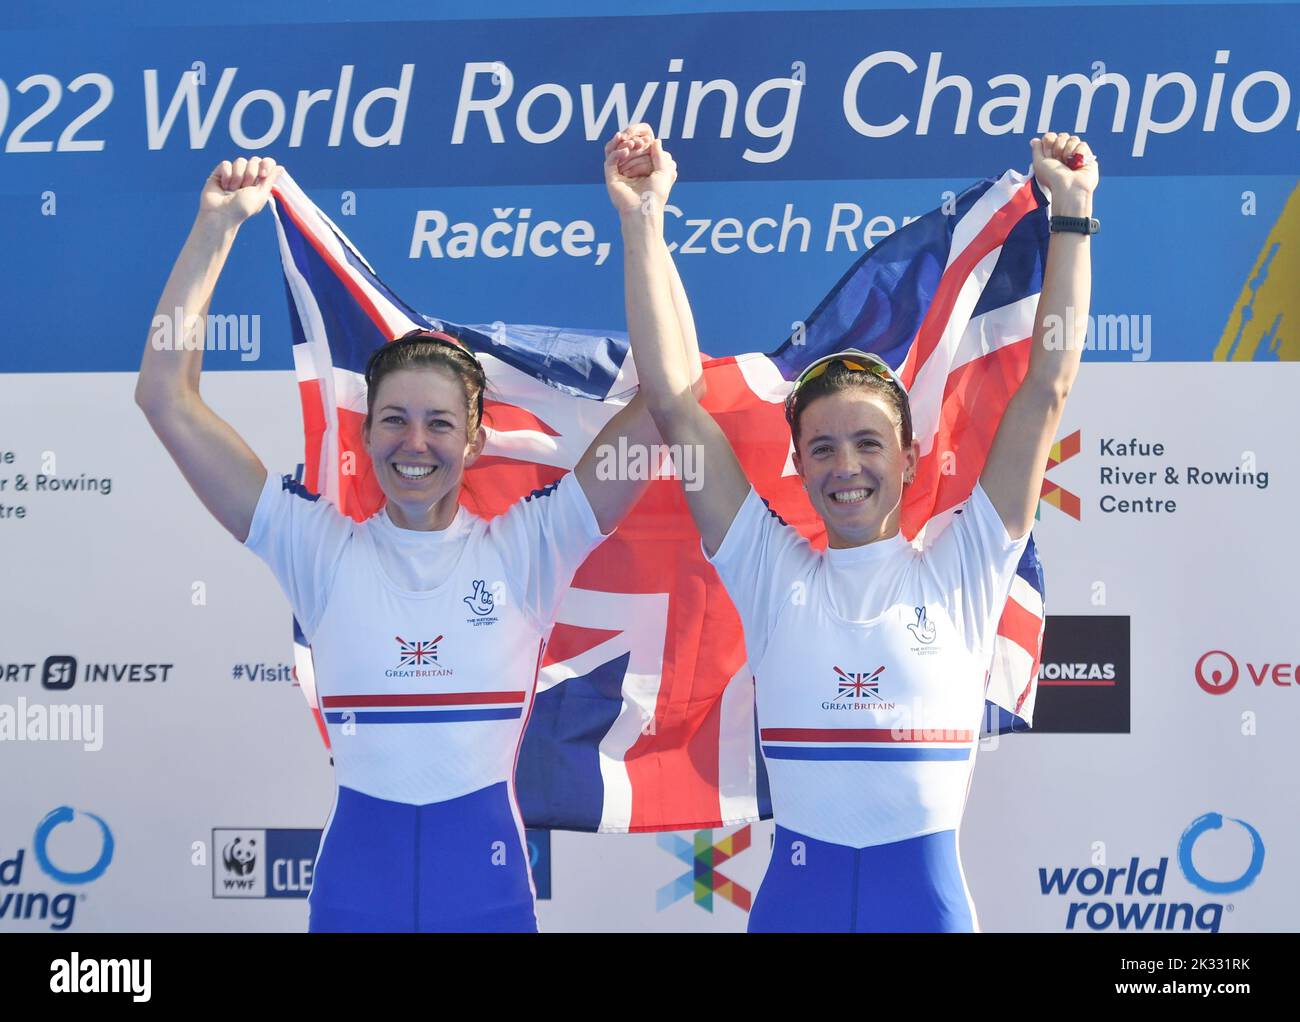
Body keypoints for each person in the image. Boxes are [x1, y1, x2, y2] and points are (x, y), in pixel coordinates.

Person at [136, 146, 702, 931]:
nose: (416, 443)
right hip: (353, 899)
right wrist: (212, 231)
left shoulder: (529, 547)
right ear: (366, 436)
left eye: (440, 423)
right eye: (395, 420)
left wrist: (644, 221)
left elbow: (669, 397)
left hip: (488, 898)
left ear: (473, 443)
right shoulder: (316, 547)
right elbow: (165, 398)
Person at [608, 125, 1098, 931]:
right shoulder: (769, 569)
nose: (847, 466)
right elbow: (673, 404)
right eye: (824, 447)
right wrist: (643, 220)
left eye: (869, 444)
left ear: (909, 460)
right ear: (796, 465)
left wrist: (1073, 214)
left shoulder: (967, 563)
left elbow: (1048, 384)